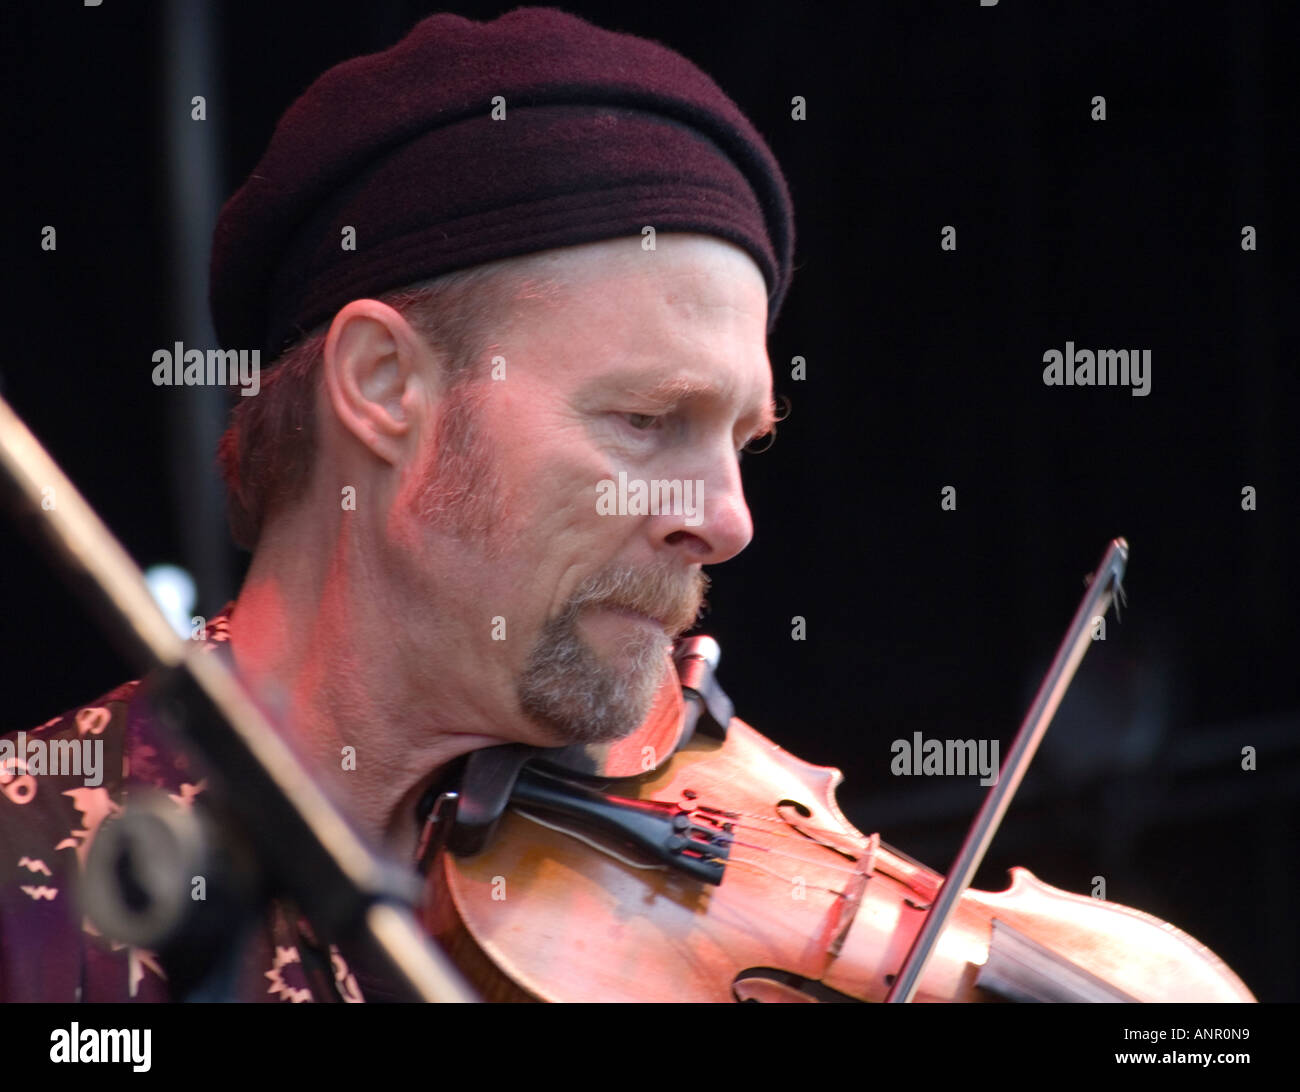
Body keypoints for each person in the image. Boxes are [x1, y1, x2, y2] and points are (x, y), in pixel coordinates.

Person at [0, 7, 793, 1001]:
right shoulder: (27, 905)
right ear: (384, 387)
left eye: (745, 440)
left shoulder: (685, 917)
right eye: (644, 417)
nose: (726, 519)